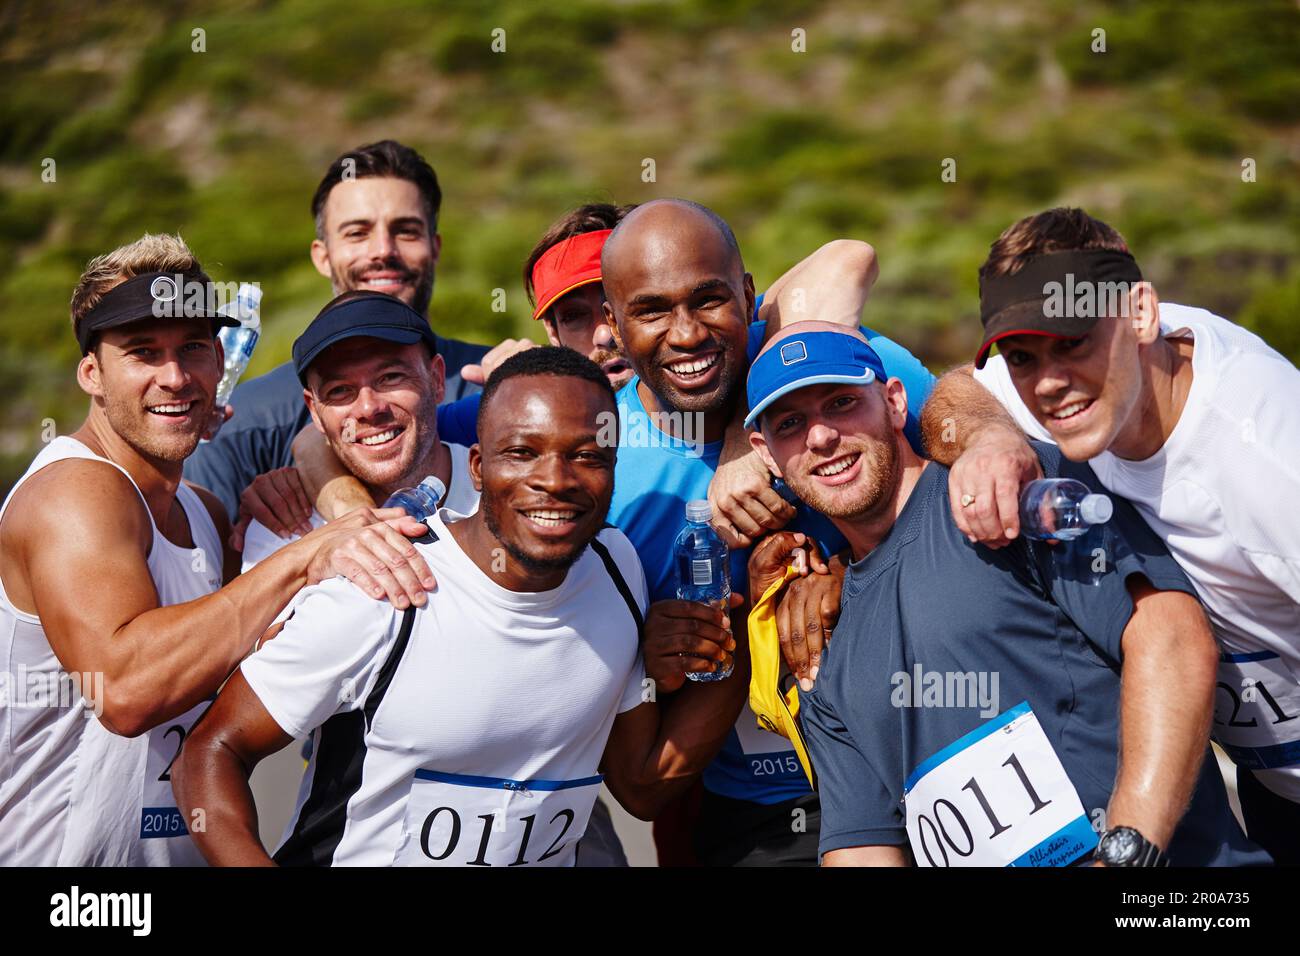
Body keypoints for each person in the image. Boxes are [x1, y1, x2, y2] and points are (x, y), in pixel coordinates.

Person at [171, 348, 746, 866]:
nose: (554, 480)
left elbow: (641, 786)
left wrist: (744, 623)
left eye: (587, 457)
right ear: (476, 467)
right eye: (521, 453)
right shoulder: (386, 590)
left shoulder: (618, 569)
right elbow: (210, 750)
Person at [746, 321, 1265, 867]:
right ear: (766, 452)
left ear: (895, 402)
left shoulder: (1010, 492)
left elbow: (1173, 638)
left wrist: (1124, 854)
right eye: (791, 423)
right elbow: (861, 848)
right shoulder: (824, 651)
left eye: (842, 402)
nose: (821, 436)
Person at [0, 235, 435, 865]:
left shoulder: (203, 510)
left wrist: (306, 479)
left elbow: (248, 657)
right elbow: (126, 692)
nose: (174, 377)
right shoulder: (74, 489)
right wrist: (305, 554)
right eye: (143, 354)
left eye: (193, 349)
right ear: (91, 372)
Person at [919, 207, 1300, 864]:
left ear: (1143, 315)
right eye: (1022, 356)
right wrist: (990, 439)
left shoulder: (1268, 459)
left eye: (1073, 344)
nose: (1049, 383)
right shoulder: (1097, 374)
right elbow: (953, 394)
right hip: (1272, 786)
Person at [597, 199, 936, 865]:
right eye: (652, 310)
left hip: (930, 771)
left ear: (750, 298)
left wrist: (857, 579)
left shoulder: (835, 365)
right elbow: (639, 781)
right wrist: (664, 656)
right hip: (763, 822)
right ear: (611, 325)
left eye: (708, 300)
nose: (687, 333)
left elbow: (970, 444)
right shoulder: (596, 466)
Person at [184, 140, 527, 525]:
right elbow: (208, 569)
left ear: (435, 247)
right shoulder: (248, 419)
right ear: (322, 255)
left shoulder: (500, 384)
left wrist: (542, 387)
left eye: (406, 231)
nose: (382, 250)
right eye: (357, 233)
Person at [240, 291, 479, 569]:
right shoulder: (283, 528)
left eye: (390, 377)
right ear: (314, 411)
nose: (368, 408)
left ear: (437, 379)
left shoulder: (506, 492)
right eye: (340, 390)